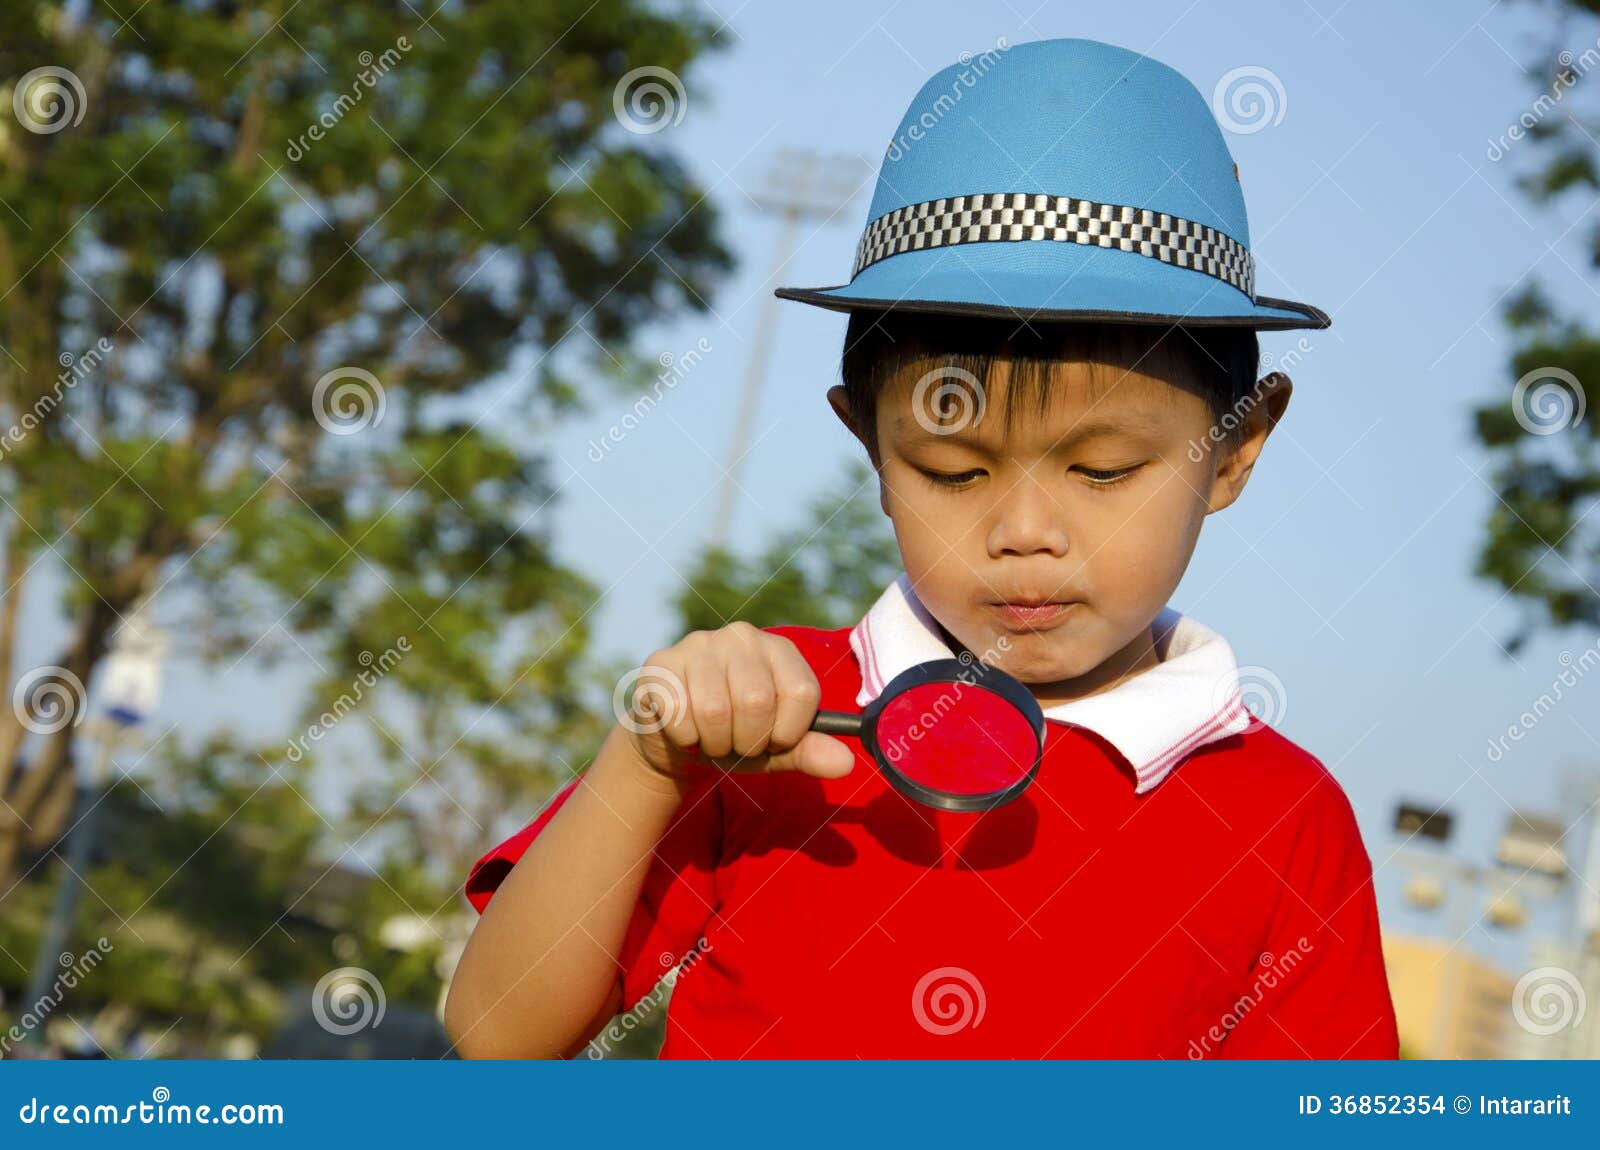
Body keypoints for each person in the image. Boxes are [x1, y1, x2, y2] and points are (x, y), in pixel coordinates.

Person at [444, 36, 1399, 1060]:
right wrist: (647, 763)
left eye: (1102, 470)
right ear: (870, 444)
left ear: (1235, 449)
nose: (1024, 534)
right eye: (953, 471)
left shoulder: (1283, 821)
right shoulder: (764, 721)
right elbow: (496, 1034)